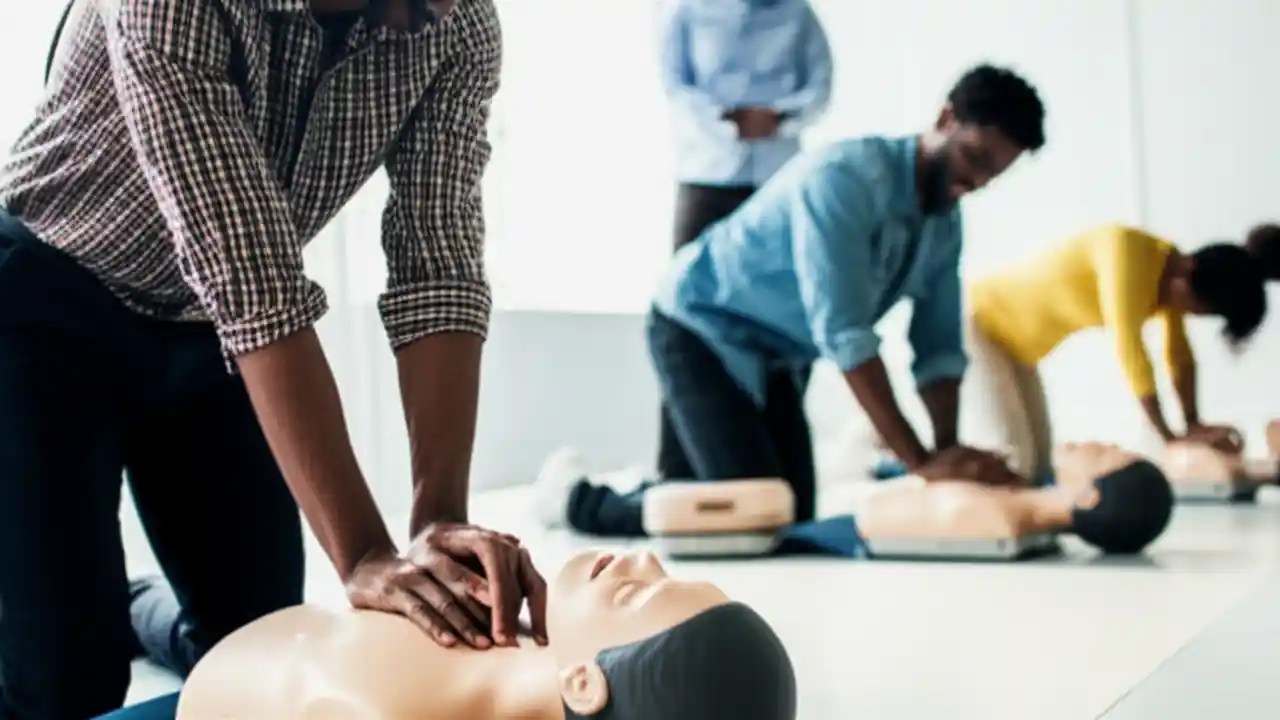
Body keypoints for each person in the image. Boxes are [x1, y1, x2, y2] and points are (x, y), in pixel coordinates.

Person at [0, 2, 545, 717]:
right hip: (43, 307)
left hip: (208, 330)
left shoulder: (456, 22)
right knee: (64, 683)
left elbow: (437, 263)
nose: (438, 13)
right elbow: (255, 284)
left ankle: (129, 607)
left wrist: (437, 524)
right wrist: (364, 557)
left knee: (261, 653)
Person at [538, 64, 1047, 537]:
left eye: (992, 175)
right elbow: (846, 336)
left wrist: (948, 452)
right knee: (754, 511)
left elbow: (938, 350)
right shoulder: (844, 179)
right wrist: (923, 467)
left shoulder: (944, 226)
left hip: (780, 353)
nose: (976, 183)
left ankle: (670, 483)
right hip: (699, 325)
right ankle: (573, 499)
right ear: (945, 119)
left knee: (791, 512)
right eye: (974, 158)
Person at [94, 550, 798, 720]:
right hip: (254, 645)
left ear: (585, 684)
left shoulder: (378, 708)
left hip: (218, 684)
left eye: (634, 592)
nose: (641, 558)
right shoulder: (536, 655)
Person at [657, 0, 833, 482]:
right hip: (708, 176)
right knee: (682, 319)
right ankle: (676, 472)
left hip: (777, 183)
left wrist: (777, 118)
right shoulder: (688, 11)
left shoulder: (798, 14)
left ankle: (779, 456)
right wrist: (727, 120)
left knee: (786, 322)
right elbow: (677, 86)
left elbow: (820, 89)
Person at [962, 223, 1280, 483]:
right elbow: (1131, 350)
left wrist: (1193, 424)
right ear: (1187, 275)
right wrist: (1169, 438)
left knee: (1038, 466)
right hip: (982, 325)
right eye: (1198, 308)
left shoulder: (1171, 279)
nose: (1190, 314)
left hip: (1018, 350)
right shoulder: (1126, 251)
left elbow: (1179, 356)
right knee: (1015, 459)